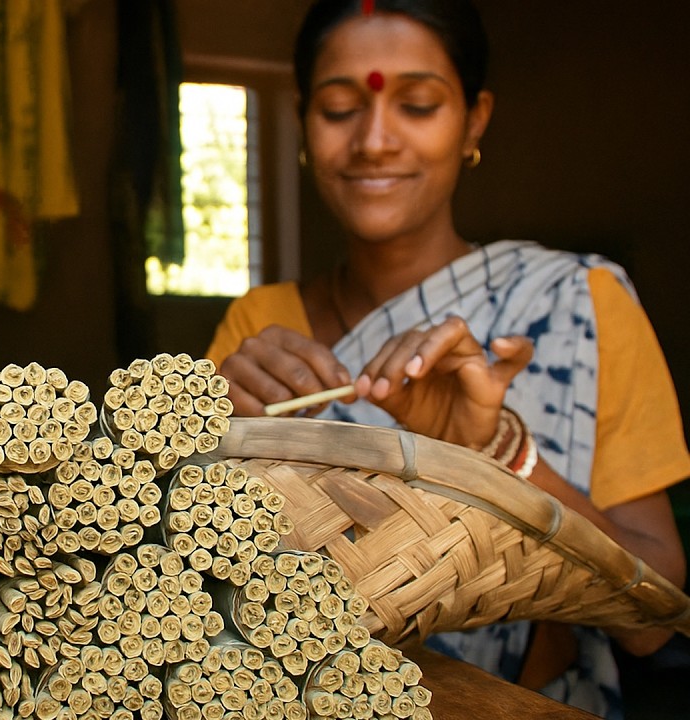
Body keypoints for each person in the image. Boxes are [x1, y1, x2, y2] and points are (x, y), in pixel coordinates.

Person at [204, 1, 690, 717]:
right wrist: (205, 433)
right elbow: (175, 586)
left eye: (419, 104)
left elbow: (657, 619)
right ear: (304, 123)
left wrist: (492, 449)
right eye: (340, 108)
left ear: (475, 120)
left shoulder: (576, 301)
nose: (374, 139)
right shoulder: (260, 327)